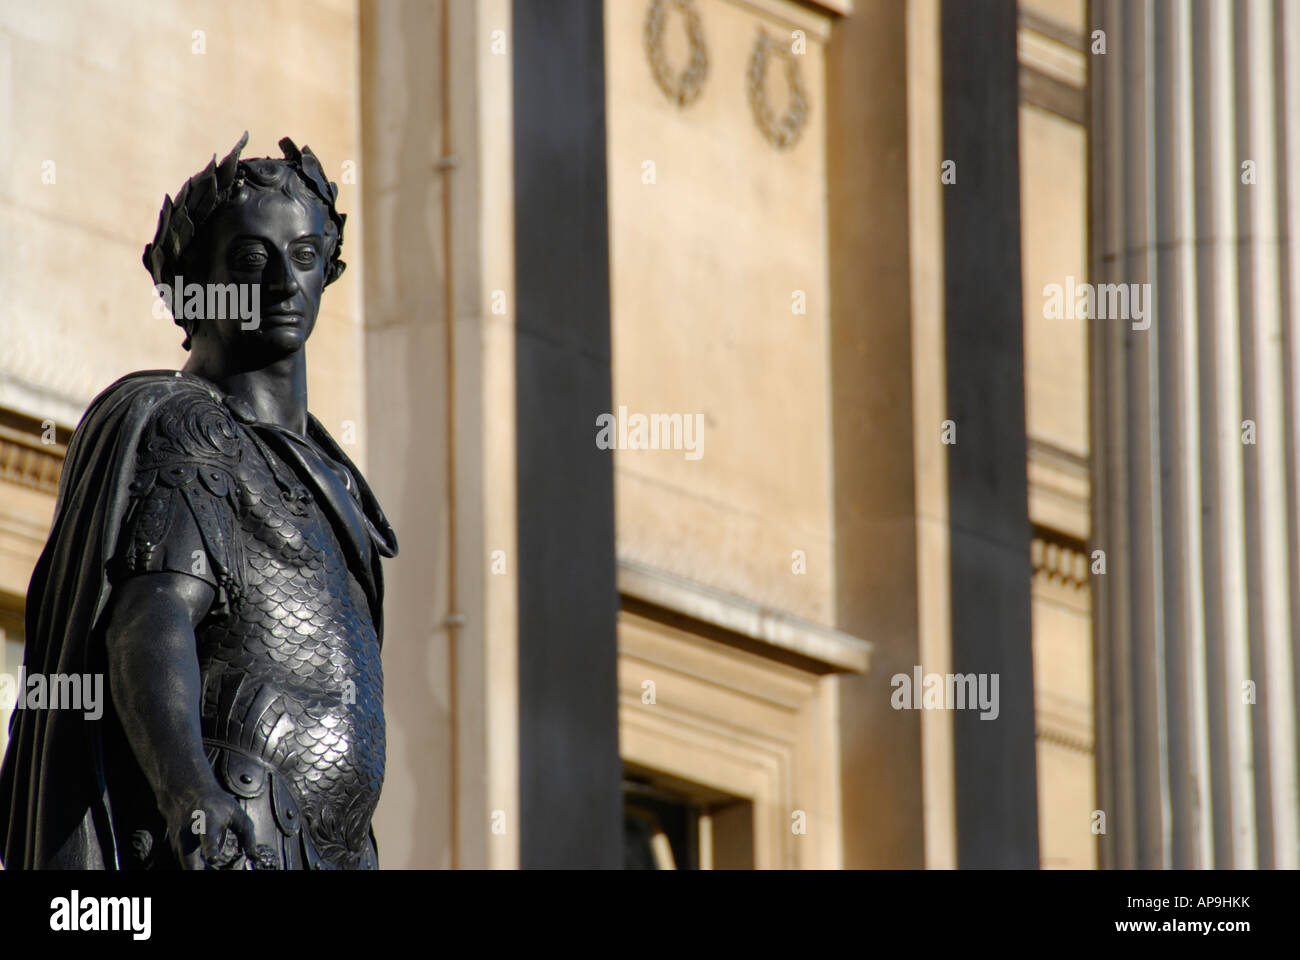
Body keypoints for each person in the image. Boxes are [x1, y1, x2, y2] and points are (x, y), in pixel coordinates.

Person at [0, 133, 398, 869]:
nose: (283, 282)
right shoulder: (194, 430)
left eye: (305, 257)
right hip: (236, 837)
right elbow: (151, 621)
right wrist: (186, 785)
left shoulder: (337, 483)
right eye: (250, 262)